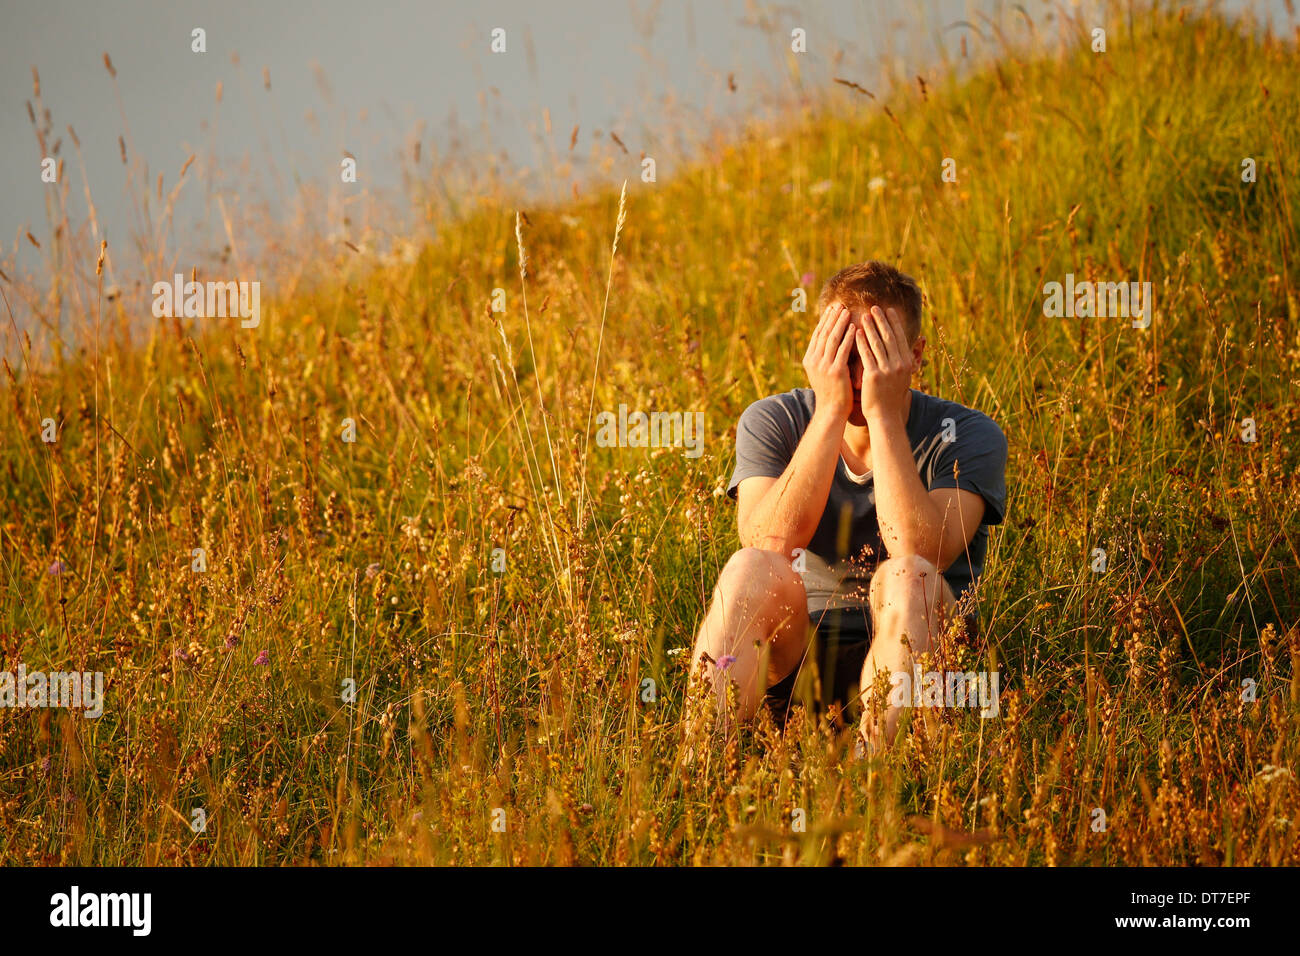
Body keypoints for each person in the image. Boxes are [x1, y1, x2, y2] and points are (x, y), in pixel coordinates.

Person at [689, 261, 1007, 752]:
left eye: (876, 354)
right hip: (801, 664)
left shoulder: (966, 434)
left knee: (908, 577)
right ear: (818, 350)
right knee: (749, 567)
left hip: (923, 665)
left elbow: (922, 549)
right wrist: (831, 410)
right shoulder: (774, 419)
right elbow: (770, 540)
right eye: (843, 352)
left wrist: (880, 414)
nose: (857, 373)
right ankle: (702, 768)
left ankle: (878, 783)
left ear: (915, 355)